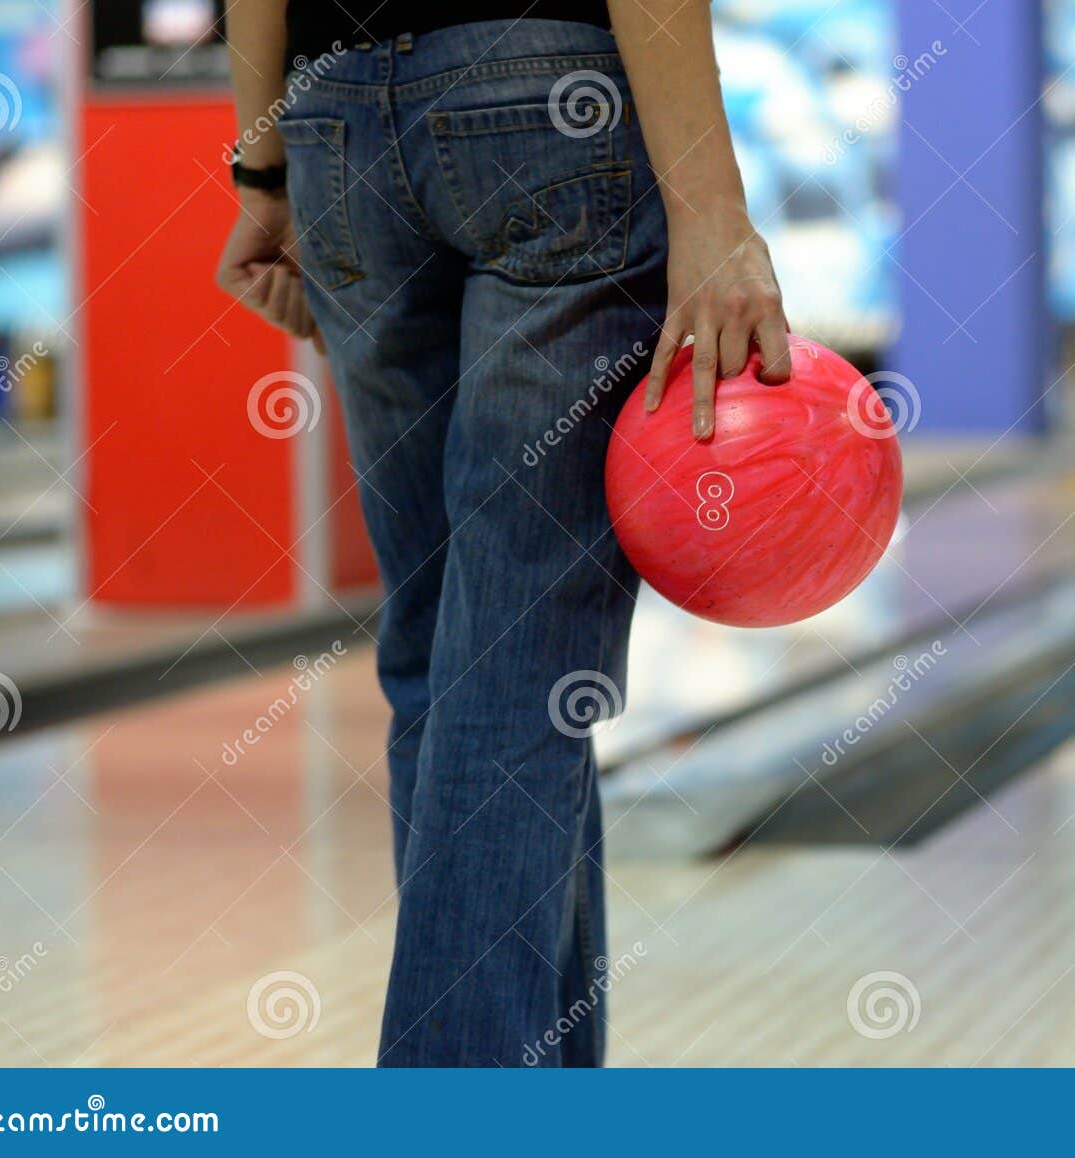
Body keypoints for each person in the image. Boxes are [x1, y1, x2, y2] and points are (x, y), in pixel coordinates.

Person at [215, 2, 789, 1066]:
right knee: (519, 670)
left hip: (338, 125)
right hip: (545, 105)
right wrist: (712, 213)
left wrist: (262, 164)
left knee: (441, 659)